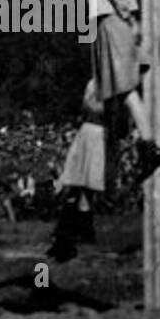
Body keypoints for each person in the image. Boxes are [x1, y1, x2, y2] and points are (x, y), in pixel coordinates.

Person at [79, 0, 160, 184]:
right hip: (121, 22)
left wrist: (128, 18)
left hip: (111, 21)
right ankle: (140, 146)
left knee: (122, 88)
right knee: (121, 88)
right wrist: (133, 20)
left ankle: (147, 144)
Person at [47, 79, 106, 262]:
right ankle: (73, 230)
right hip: (92, 130)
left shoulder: (106, 83)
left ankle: (78, 229)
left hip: (98, 131)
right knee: (78, 183)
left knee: (87, 185)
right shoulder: (94, 83)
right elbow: (89, 106)